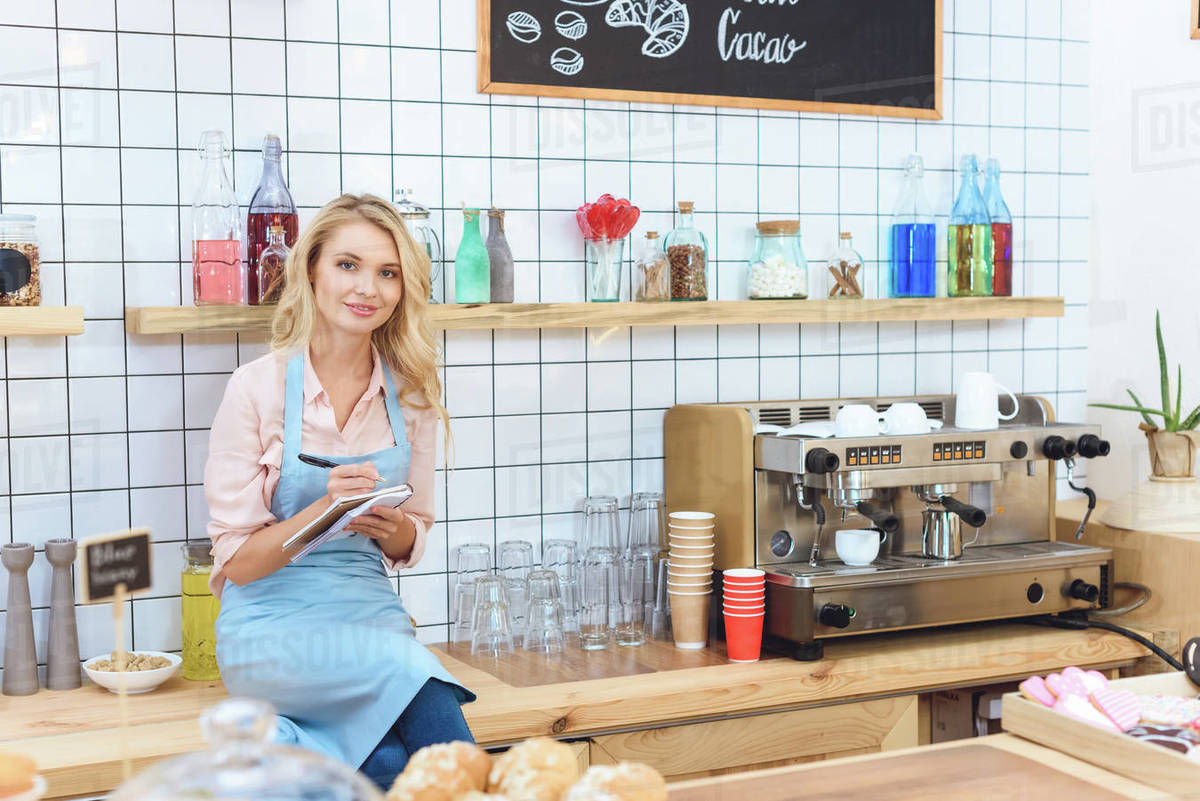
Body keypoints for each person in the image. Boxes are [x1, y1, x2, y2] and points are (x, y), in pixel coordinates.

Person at [203, 193, 474, 790]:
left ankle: (295, 745)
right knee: (416, 673)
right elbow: (239, 564)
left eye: (388, 272)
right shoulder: (256, 389)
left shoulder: (415, 396)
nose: (367, 288)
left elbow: (415, 530)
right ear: (311, 270)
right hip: (268, 624)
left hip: (370, 611)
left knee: (382, 767)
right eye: (348, 265)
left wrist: (397, 530)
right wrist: (326, 510)